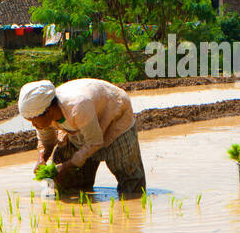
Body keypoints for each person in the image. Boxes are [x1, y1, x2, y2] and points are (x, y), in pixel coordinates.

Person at [17, 78, 146, 195]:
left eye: (34, 120)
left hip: (113, 115)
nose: (33, 125)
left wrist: (66, 166)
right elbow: (47, 141)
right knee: (69, 183)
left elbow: (94, 142)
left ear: (48, 112)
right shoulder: (44, 115)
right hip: (81, 125)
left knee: (131, 183)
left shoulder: (78, 106)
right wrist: (42, 158)